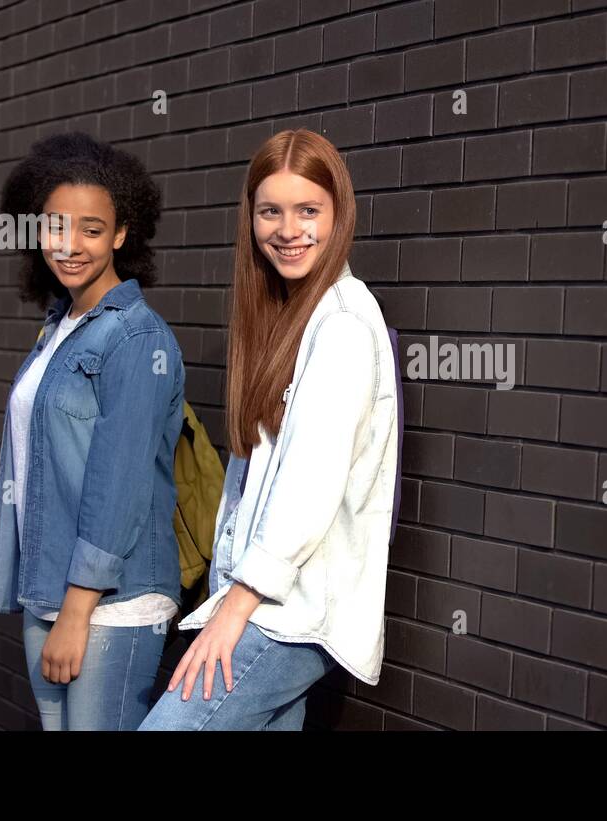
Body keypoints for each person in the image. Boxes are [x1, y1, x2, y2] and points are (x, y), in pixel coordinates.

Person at [139, 128, 398, 731]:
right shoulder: (286, 317)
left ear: (339, 216)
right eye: (271, 211)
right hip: (267, 604)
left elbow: (311, 486)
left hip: (285, 615)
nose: (289, 229)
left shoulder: (341, 327)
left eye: (309, 210)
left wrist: (235, 607)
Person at [0, 132, 185, 730]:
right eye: (56, 227)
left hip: (108, 605)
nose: (70, 245)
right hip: (48, 591)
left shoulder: (136, 338)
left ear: (121, 235)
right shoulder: (60, 328)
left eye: (91, 229)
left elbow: (117, 487)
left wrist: (75, 613)